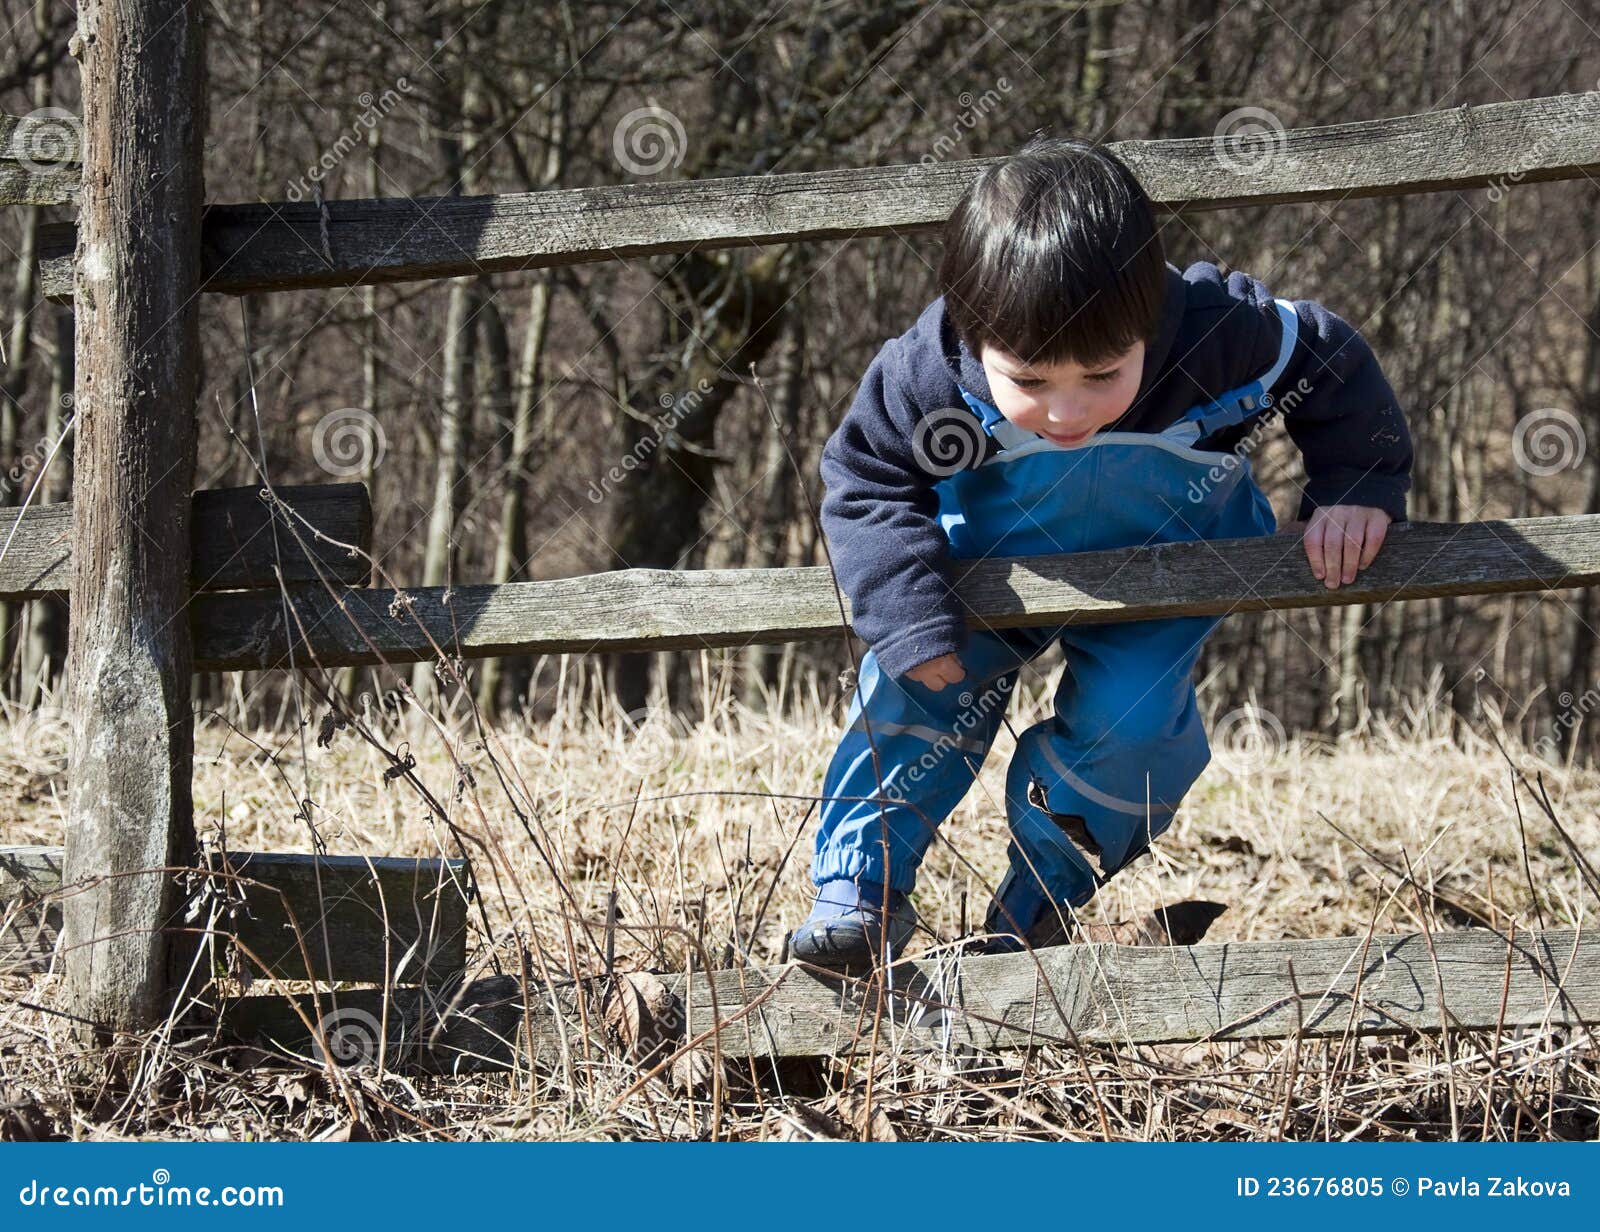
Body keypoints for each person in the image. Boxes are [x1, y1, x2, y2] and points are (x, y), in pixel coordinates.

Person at [789, 134, 1414, 971]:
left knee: (1134, 724)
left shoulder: (1217, 334)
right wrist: (904, 613)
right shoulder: (927, 378)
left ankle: (1034, 908)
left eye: (1103, 374)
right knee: (917, 695)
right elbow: (863, 477)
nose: (1067, 409)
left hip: (1168, 563)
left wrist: (1355, 487)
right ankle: (858, 895)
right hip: (988, 568)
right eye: (1032, 381)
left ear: (1148, 315)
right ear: (974, 338)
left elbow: (1328, 356)